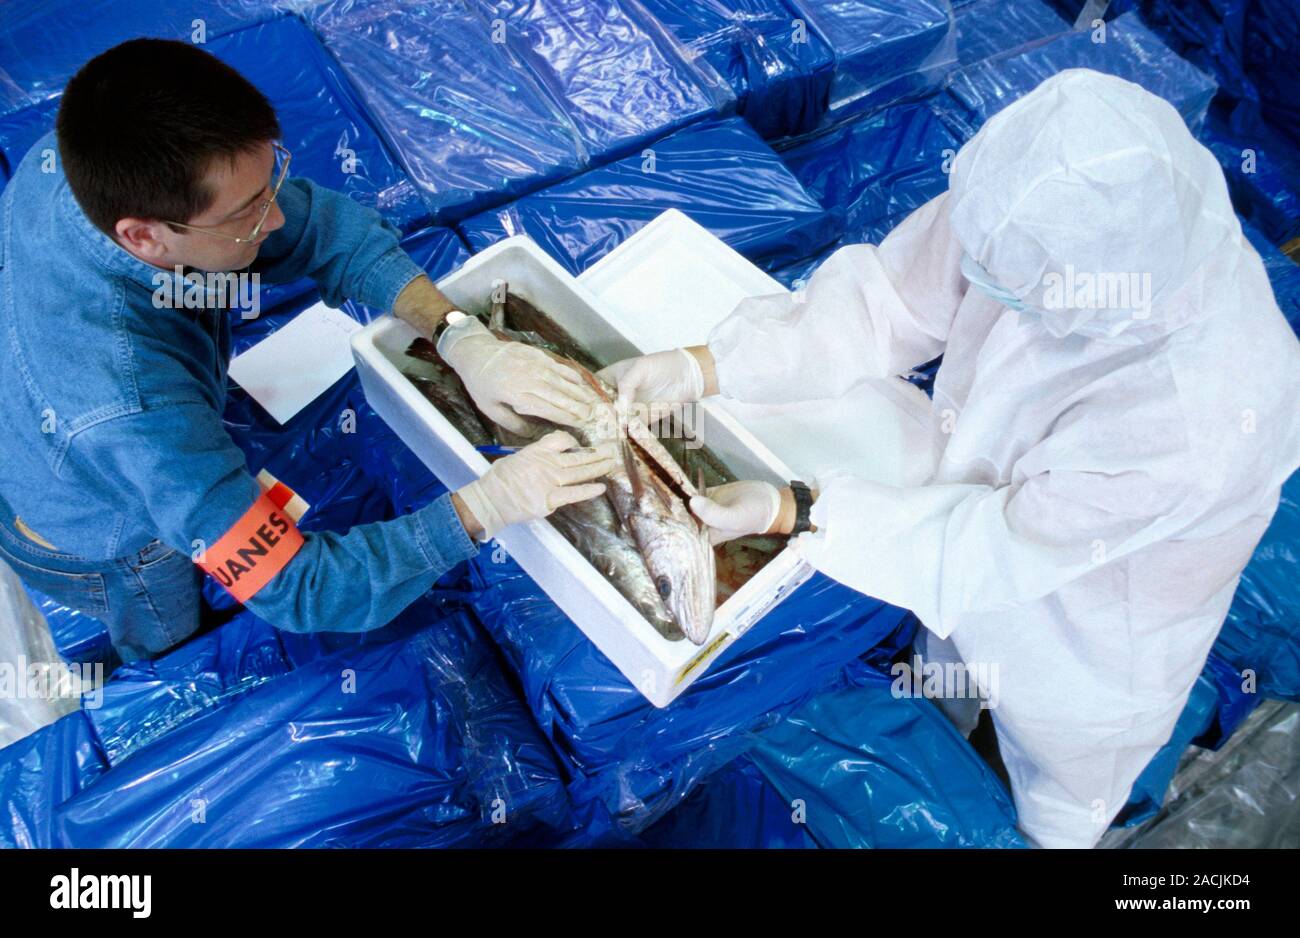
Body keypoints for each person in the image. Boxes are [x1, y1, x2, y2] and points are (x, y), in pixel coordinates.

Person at [597, 69, 1300, 847]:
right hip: (993, 513)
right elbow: (887, 302)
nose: (989, 282)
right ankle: (950, 726)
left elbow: (998, 544)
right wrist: (707, 365)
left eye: (1025, 288)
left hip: (1098, 607)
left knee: (1051, 763)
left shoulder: (1200, 406)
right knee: (947, 668)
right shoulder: (1036, 197)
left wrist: (795, 509)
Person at [0, 39, 612, 665]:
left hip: (58, 416)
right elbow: (303, 588)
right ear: (144, 237)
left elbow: (327, 232)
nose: (273, 222)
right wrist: (487, 505)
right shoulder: (134, 410)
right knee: (168, 627)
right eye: (245, 215)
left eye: (270, 185)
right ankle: (161, 668)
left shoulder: (80, 160)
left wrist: (459, 334)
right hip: (96, 537)